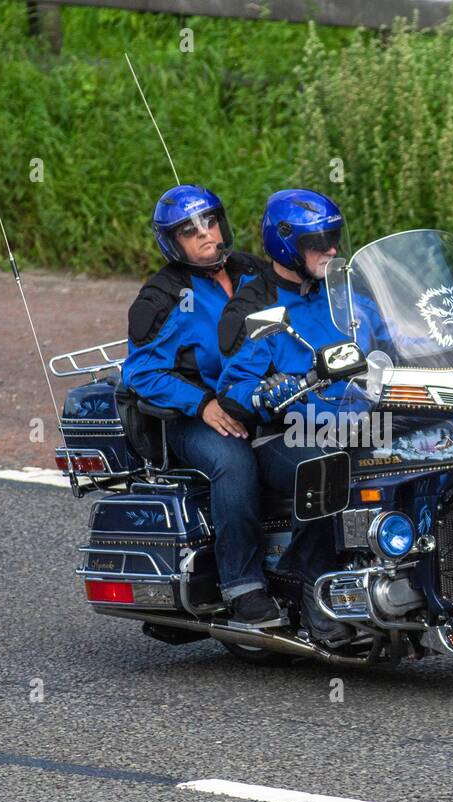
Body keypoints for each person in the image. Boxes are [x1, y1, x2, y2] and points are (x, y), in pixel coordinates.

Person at [216, 188, 383, 641]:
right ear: (287, 244)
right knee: (324, 469)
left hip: (360, 420)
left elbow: (396, 340)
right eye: (317, 242)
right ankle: (319, 595)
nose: (331, 248)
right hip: (286, 432)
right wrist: (268, 391)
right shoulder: (256, 307)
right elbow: (233, 386)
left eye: (333, 237)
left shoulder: (347, 295)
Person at [120, 184, 281, 625]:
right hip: (189, 417)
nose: (207, 235)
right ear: (174, 244)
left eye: (210, 222)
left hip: (258, 399)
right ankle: (242, 585)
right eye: (192, 232)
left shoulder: (251, 271)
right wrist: (203, 404)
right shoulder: (163, 297)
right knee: (234, 461)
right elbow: (140, 374)